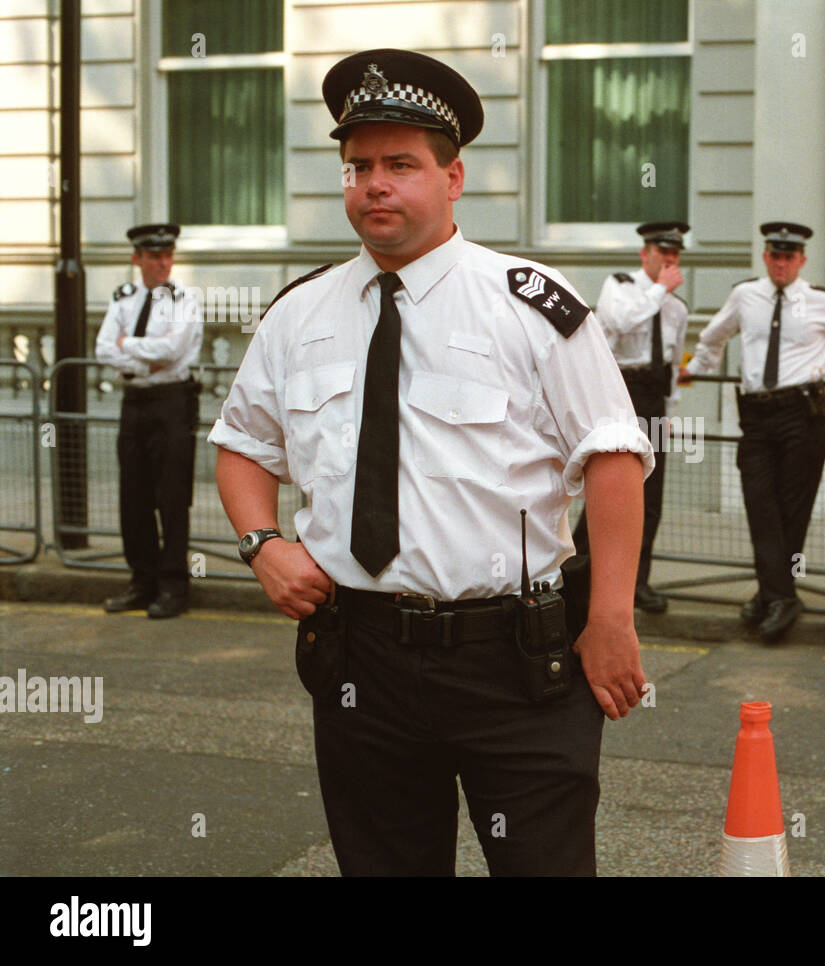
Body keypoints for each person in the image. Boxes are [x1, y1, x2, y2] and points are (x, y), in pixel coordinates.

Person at [208, 49, 652, 876]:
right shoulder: (298, 314)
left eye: (400, 164)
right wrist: (262, 543)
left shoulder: (529, 304)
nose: (375, 183)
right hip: (358, 659)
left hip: (513, 663)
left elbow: (614, 457)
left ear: (452, 178)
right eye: (359, 165)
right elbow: (242, 444)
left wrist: (612, 617)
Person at [679, 222, 825, 643]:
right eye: (775, 255)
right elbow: (714, 336)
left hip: (803, 414)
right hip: (757, 417)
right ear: (765, 257)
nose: (781, 263)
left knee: (792, 512)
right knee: (760, 505)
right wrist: (692, 372)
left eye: (789, 256)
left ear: (801, 260)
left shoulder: (824, 301)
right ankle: (780, 596)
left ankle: (773, 598)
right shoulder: (746, 295)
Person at [572, 221, 690, 614]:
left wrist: (669, 412)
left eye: (675, 254)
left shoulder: (676, 307)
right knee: (608, 491)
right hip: (621, 392)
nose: (670, 260)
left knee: (649, 497)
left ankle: (637, 582)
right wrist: (658, 291)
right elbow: (620, 324)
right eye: (663, 253)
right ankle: (578, 576)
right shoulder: (621, 286)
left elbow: (672, 364)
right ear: (646, 254)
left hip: (653, 398)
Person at [94, 223, 202, 619]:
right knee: (133, 496)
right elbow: (104, 348)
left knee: (172, 498)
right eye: (154, 256)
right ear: (136, 258)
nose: (163, 263)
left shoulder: (185, 299)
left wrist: (129, 346)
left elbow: (172, 351)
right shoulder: (122, 299)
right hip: (134, 401)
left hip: (171, 402)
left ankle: (174, 586)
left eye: (168, 255)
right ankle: (142, 581)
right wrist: (144, 356)